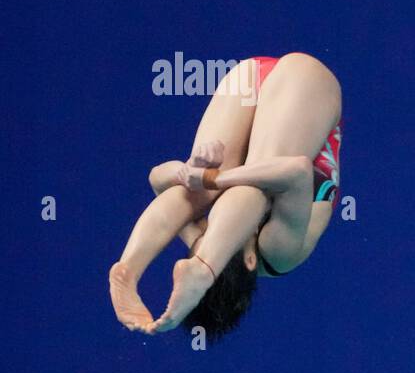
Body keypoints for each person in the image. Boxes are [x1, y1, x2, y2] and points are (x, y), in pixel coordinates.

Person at [109, 53, 342, 340]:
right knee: (251, 187)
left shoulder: (204, 234)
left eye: (201, 238)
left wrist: (190, 169)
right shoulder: (280, 255)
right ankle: (206, 268)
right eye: (214, 238)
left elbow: (157, 178)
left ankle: (128, 270)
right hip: (303, 81)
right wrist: (214, 178)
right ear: (250, 260)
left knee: (199, 190)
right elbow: (297, 171)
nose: (206, 227)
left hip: (249, 78)